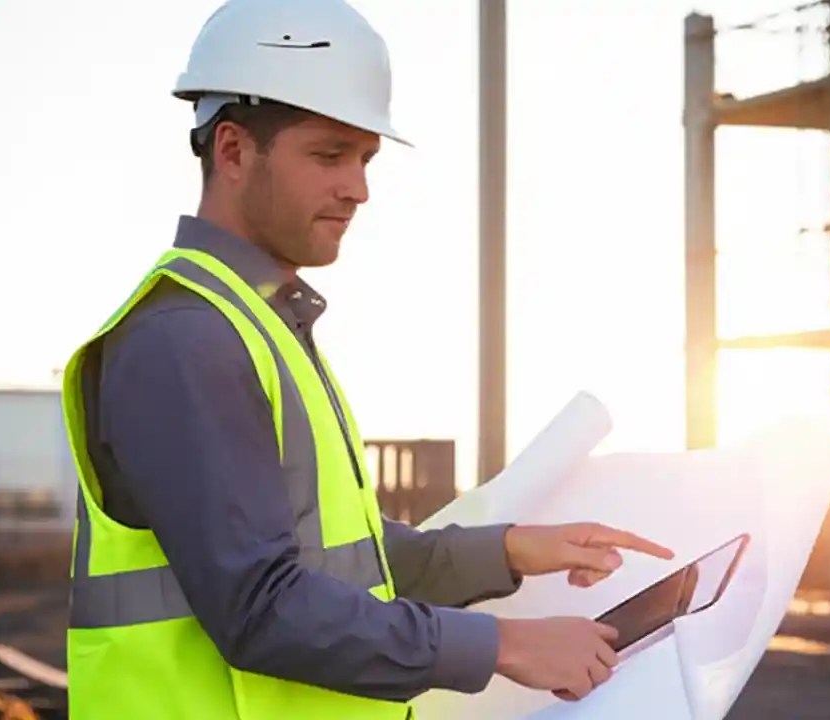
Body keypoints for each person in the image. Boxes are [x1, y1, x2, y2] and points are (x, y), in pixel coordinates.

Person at [59, 0, 674, 718]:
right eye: (329, 155)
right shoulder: (186, 340)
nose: (358, 188)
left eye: (365, 158)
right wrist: (503, 645)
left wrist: (511, 549)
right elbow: (261, 608)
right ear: (231, 151)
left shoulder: (256, 324)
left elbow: (346, 565)